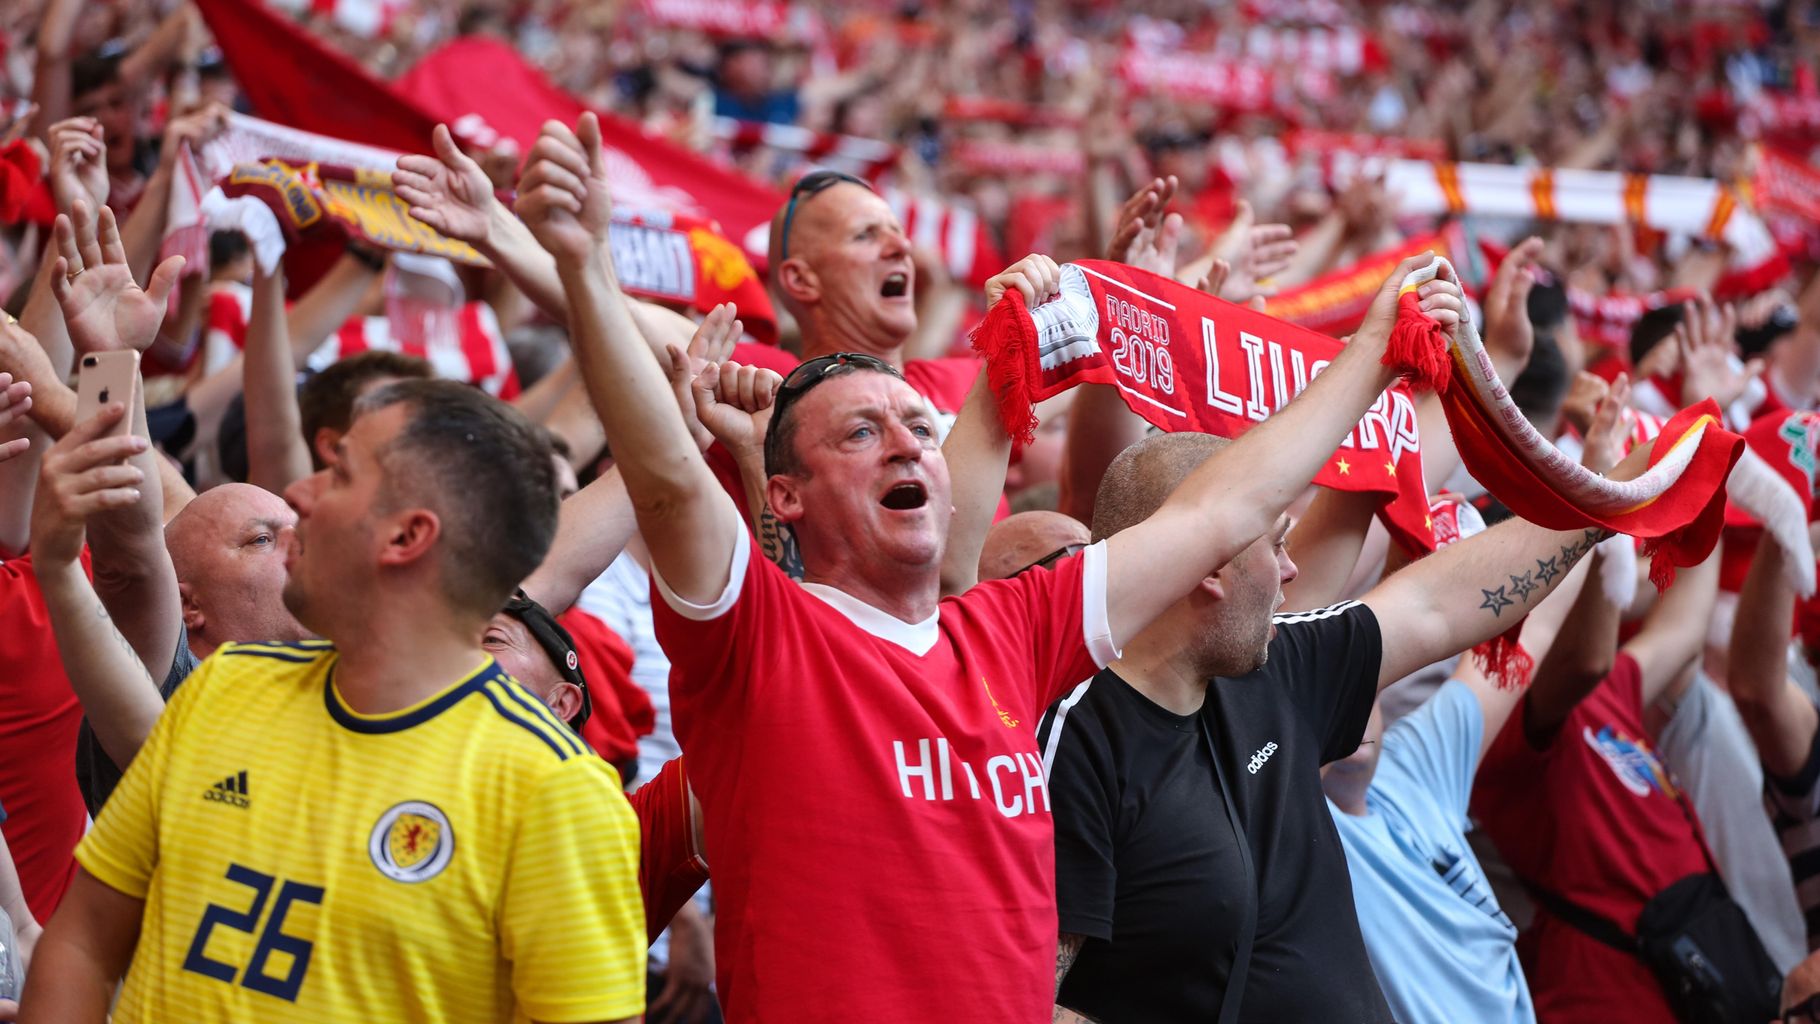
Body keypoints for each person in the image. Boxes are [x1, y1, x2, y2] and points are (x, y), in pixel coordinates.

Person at [517, 107, 1490, 1022]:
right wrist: (584, 270)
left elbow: (1222, 507)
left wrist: (1365, 356)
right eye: (861, 431)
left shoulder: (1012, 631)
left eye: (916, 427)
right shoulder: (762, 643)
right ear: (785, 497)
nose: (906, 445)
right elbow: (666, 484)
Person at [19, 380, 646, 1023]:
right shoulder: (225, 685)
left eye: (339, 475)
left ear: (407, 539)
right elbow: (84, 944)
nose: (300, 491)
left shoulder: (556, 794)